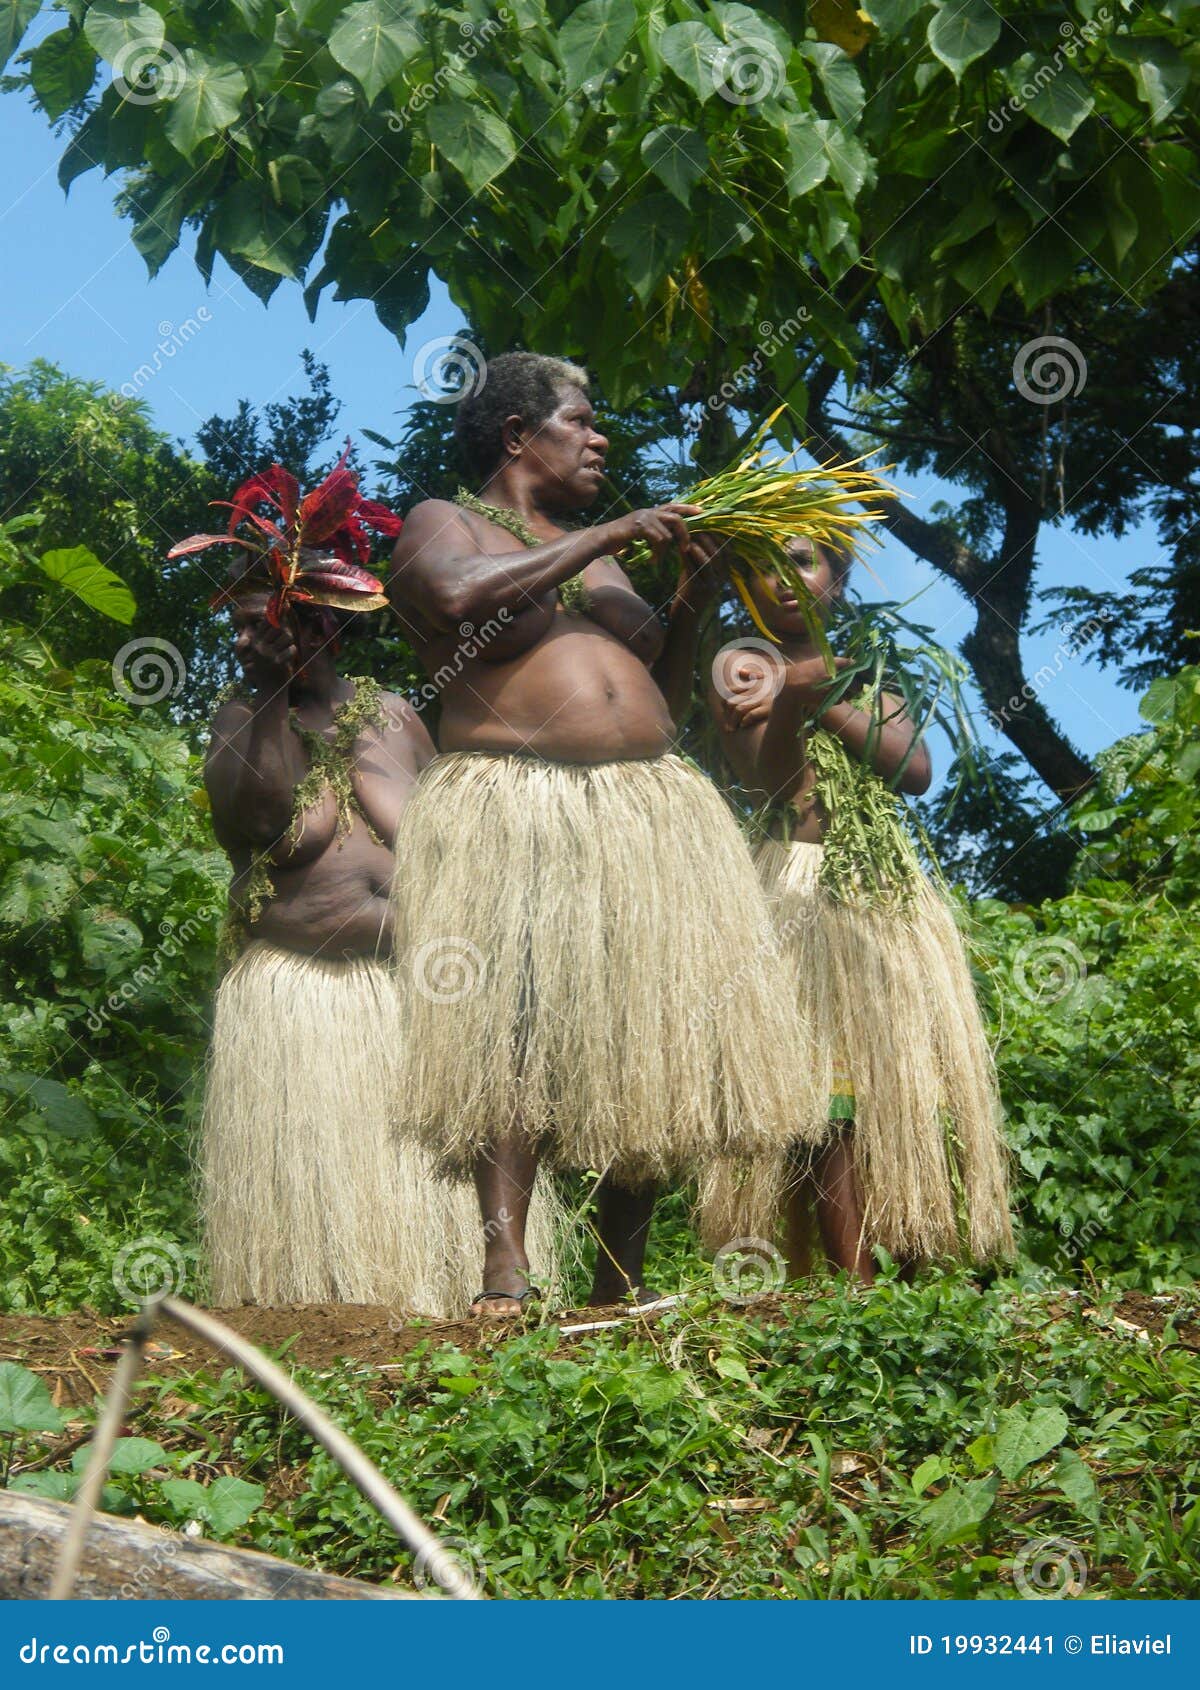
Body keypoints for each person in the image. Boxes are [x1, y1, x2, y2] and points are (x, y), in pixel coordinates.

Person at [387, 352, 821, 1315]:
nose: (600, 438)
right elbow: (458, 597)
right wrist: (615, 532)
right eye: (581, 421)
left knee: (647, 1037)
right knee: (515, 1027)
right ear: (516, 435)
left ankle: (617, 1285)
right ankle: (504, 1273)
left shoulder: (596, 547)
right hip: (514, 799)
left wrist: (695, 595)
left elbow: (664, 696)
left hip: (644, 803)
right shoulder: (440, 522)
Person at [201, 573, 559, 1312]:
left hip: (412, 986)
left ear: (324, 626)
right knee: (321, 1224)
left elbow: (451, 841)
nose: (242, 643)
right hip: (300, 999)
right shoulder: (238, 718)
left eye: (259, 624)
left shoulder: (395, 716)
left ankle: (475, 1284)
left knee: (435, 1165)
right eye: (234, 629)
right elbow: (262, 822)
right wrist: (270, 699)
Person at [699, 536, 1013, 1280]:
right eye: (763, 563)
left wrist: (815, 696)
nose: (783, 578)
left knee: (899, 1090)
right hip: (795, 890)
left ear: (837, 581)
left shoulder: (872, 679)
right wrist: (790, 697)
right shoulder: (737, 668)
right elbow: (767, 779)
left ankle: (912, 1269)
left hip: (882, 894)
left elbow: (914, 769)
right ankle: (848, 1283)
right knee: (823, 1095)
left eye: (803, 561)